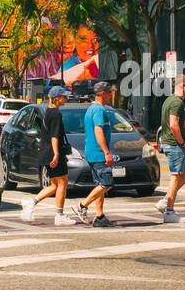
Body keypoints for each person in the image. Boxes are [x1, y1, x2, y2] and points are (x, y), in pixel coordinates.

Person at [21, 86, 76, 226]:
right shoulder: (56, 114)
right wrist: (56, 154)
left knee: (55, 184)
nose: (66, 98)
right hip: (53, 153)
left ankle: (31, 203)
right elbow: (54, 136)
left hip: (46, 152)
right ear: (57, 98)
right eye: (64, 96)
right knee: (62, 183)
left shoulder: (48, 112)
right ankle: (59, 215)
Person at [75, 89, 115, 227]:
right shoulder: (99, 110)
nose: (111, 95)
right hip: (98, 153)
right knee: (107, 183)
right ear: (103, 93)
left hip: (91, 152)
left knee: (99, 185)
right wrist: (106, 152)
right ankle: (82, 205)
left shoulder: (91, 109)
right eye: (109, 92)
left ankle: (99, 216)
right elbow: (98, 131)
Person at [155, 75, 185, 224]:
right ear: (181, 86)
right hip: (175, 144)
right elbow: (174, 125)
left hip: (171, 143)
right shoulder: (177, 103)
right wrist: (182, 142)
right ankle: (169, 212)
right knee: (176, 177)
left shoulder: (169, 100)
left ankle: (165, 201)